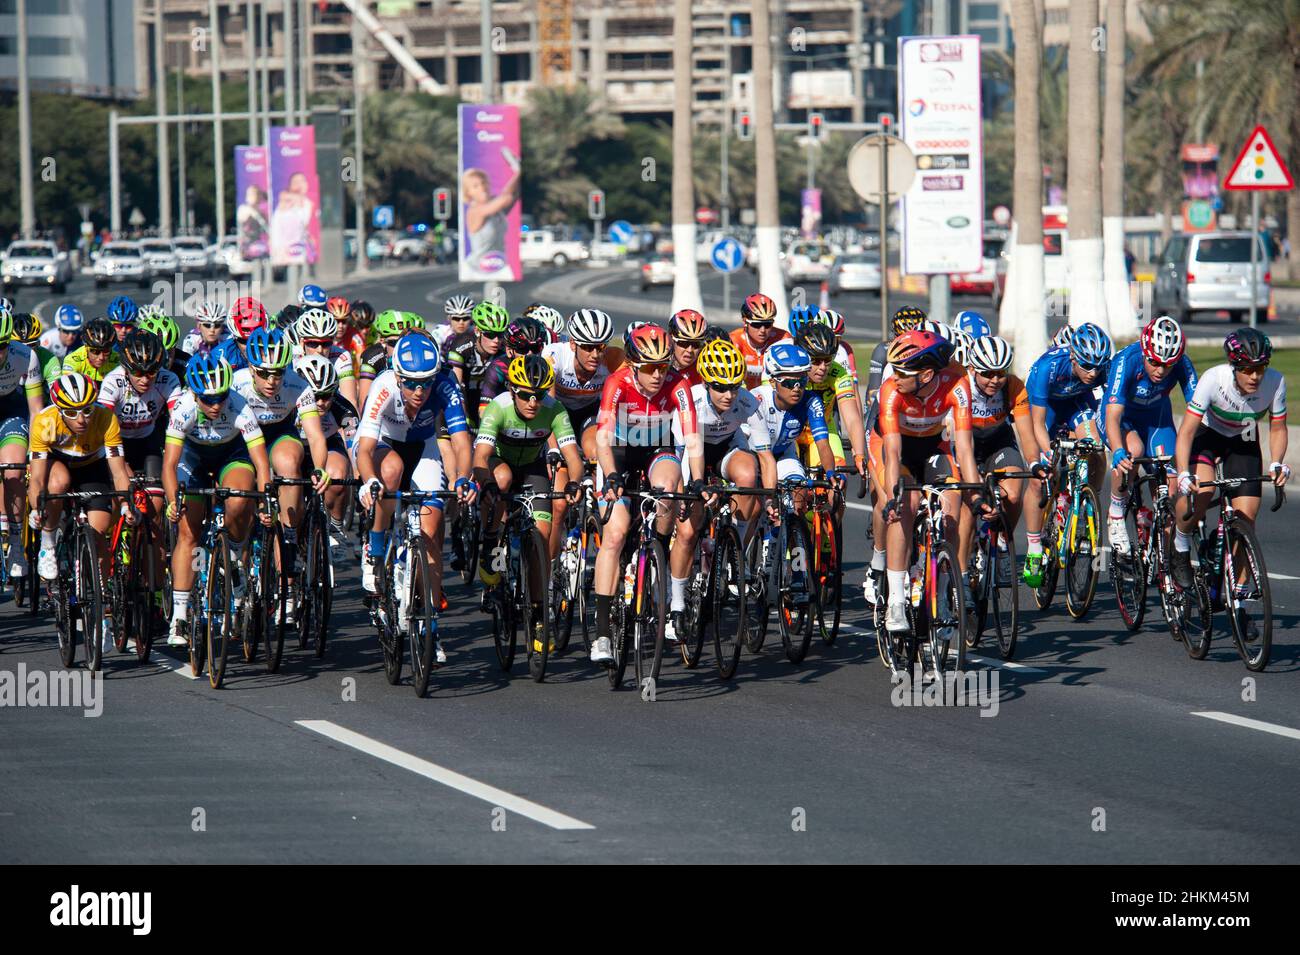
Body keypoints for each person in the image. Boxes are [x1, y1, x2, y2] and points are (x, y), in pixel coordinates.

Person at [356, 332, 476, 664]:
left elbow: (463, 442)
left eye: (425, 383)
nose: (419, 392)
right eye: (410, 384)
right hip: (384, 445)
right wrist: (369, 483)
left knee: (432, 529)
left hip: (422, 447)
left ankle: (430, 625)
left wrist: (463, 477)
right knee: (390, 473)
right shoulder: (383, 386)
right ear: (397, 376)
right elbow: (364, 450)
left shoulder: (445, 385)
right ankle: (375, 547)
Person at [589, 324, 702, 667]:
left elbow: (692, 437)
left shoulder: (677, 384)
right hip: (619, 452)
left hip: (655, 448)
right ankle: (603, 632)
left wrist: (696, 482)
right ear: (634, 365)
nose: (657, 375)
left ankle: (657, 555)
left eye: (663, 367)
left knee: (669, 488)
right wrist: (610, 475)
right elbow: (603, 439)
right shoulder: (617, 382)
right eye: (650, 368)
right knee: (616, 533)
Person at [872, 330, 983, 634]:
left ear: (926, 375)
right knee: (905, 505)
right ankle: (895, 599)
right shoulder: (891, 391)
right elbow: (893, 452)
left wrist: (975, 495)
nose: (893, 377)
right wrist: (893, 494)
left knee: (952, 506)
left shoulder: (957, 383)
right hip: (897, 447)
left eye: (901, 372)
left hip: (934, 444)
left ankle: (942, 597)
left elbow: (964, 447)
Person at [473, 354, 584, 653]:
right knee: (503, 480)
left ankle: (538, 615)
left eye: (539, 394)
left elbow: (573, 456)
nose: (533, 402)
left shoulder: (554, 409)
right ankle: (491, 545)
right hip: (500, 463)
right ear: (512, 390)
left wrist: (574, 483)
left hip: (533, 468)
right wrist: (486, 485)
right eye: (525, 394)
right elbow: (481, 456)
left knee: (542, 535)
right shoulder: (499, 407)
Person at [671, 338, 778, 640]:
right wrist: (692, 489)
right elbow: (683, 453)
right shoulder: (690, 400)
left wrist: (769, 499)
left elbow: (766, 456)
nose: (729, 394)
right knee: (689, 531)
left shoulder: (746, 401)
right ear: (706, 383)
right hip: (691, 454)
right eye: (720, 387)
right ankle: (676, 604)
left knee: (749, 474)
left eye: (734, 385)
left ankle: (735, 553)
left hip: (725, 451)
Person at [163, 355, 272, 648]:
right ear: (194, 395)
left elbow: (262, 463)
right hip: (193, 458)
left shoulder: (238, 405)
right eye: (208, 400)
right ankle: (181, 615)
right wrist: (174, 501)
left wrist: (265, 502)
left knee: (239, 499)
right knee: (189, 534)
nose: (215, 405)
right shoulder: (183, 408)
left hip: (230, 455)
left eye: (220, 398)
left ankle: (235, 551)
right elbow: (170, 464)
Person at [1172, 328, 1287, 589]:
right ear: (1234, 366)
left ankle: (1241, 599)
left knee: (1246, 519)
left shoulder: (1275, 382)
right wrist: (1182, 473)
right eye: (1247, 369)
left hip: (1243, 438)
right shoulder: (1213, 379)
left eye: (1260, 368)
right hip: (1207, 435)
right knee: (1202, 494)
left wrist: (1277, 462)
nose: (1255, 376)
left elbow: (1278, 427)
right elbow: (1187, 430)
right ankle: (1179, 546)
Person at [29, 372, 136, 652]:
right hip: (58, 464)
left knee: (99, 534)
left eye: (87, 410)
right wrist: (36, 509)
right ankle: (49, 546)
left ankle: (100, 611)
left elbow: (118, 470)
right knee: (57, 484)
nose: (82, 419)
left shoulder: (105, 419)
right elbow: (38, 479)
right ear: (59, 410)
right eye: (72, 412)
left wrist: (126, 504)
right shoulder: (44, 421)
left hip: (92, 467)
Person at [232, 327, 332, 624]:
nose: (273, 381)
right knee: (245, 490)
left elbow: (314, 436)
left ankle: (288, 536)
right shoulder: (236, 385)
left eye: (278, 373)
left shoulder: (298, 385)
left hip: (278, 434)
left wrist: (319, 468)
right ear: (251, 367)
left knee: (290, 464)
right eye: (264, 374)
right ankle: (240, 562)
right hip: (242, 441)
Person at [1104, 316, 1197, 555]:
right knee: (1132, 451)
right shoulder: (1127, 361)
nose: (1161, 370)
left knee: (1171, 485)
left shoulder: (1183, 365)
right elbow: (1112, 416)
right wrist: (1116, 450)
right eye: (1154, 362)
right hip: (1123, 417)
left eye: (1168, 365)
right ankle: (1116, 511)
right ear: (1145, 352)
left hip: (1156, 418)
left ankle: (1163, 558)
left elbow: (1199, 411)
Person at [961, 335, 1041, 589]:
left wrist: (1035, 463)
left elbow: (1026, 434)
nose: (995, 380)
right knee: (966, 509)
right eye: (987, 374)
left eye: (1000, 373)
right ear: (972, 368)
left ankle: (1003, 543)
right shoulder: (960, 386)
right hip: (966, 444)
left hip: (998, 442)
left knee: (1014, 493)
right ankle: (961, 575)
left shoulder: (1014, 386)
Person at [542, 308, 624, 558]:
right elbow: (547, 412)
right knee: (558, 504)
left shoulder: (614, 359)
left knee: (593, 449)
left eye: (600, 347)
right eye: (588, 347)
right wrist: (554, 451)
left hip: (590, 414)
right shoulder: (554, 357)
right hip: (557, 414)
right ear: (573, 343)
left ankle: (593, 503)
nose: (595, 354)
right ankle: (550, 563)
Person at [296, 353, 358, 560]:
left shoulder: (344, 409)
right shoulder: (290, 401)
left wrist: (359, 476)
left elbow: (353, 446)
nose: (321, 402)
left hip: (329, 443)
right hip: (296, 446)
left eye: (327, 395)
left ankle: (336, 527)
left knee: (339, 475)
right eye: (315, 396)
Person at [0, 310, 46, 582]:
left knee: (14, 471)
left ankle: (17, 543)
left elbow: (36, 410)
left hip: (11, 410)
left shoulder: (25, 356)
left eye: (2, 346)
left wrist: (34, 453)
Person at [462, 160, 521, 280]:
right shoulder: (475, 211)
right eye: (475, 186)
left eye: (484, 183)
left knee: (499, 296)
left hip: (499, 264)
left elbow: (510, 194)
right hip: (477, 270)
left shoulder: (495, 209)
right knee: (488, 296)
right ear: (468, 192)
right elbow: (506, 198)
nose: (482, 188)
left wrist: (518, 173)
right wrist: (518, 172)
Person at [478, 317, 546, 417]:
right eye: (523, 349)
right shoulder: (498, 367)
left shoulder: (545, 368)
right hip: (502, 418)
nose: (530, 354)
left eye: (535, 348)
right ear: (509, 351)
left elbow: (549, 409)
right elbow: (484, 411)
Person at [294, 306, 360, 409]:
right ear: (302, 343)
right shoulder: (293, 356)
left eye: (326, 344)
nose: (320, 350)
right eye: (313, 343)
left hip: (331, 408)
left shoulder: (341, 356)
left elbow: (350, 402)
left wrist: (351, 424)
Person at [730, 293, 788, 388]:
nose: (762, 330)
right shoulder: (734, 341)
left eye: (767, 324)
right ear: (745, 322)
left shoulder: (783, 339)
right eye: (756, 324)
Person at [210, 296, 270, 373]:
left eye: (257, 340)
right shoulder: (220, 355)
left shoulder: (275, 349)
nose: (249, 346)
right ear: (234, 337)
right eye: (243, 341)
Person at [271, 172, 318, 266]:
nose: (299, 184)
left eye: (302, 181)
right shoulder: (284, 203)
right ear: (290, 186)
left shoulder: (310, 204)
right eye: (296, 182)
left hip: (302, 251)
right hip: (284, 253)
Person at [62, 318, 120, 384]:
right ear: (86, 347)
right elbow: (67, 385)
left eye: (106, 351)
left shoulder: (118, 360)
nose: (101, 357)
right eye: (95, 351)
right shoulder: (73, 360)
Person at [667, 308, 709, 386]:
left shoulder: (705, 372)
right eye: (684, 343)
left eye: (696, 344)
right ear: (671, 340)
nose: (689, 350)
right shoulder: (659, 367)